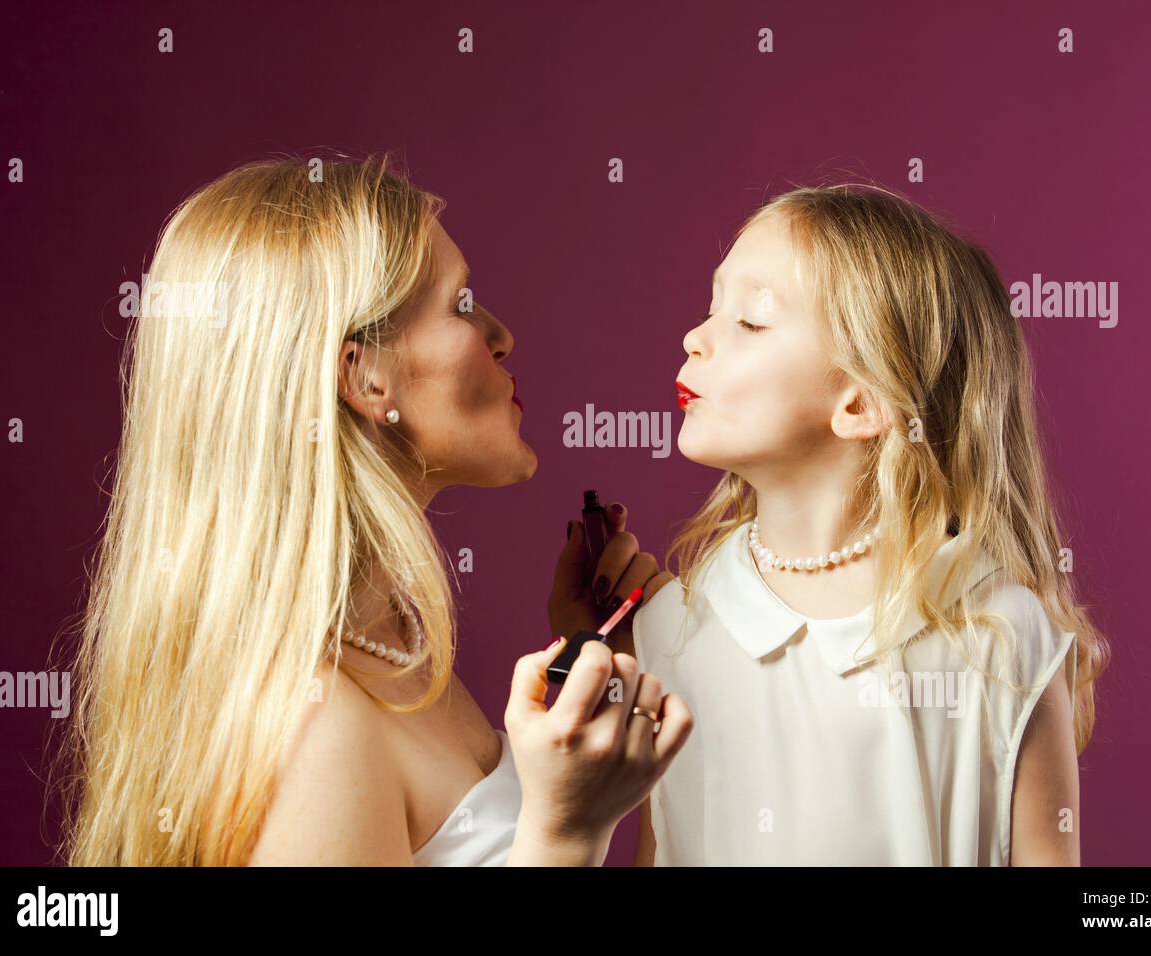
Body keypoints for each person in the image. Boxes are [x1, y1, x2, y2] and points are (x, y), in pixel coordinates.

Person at [52, 154, 692, 866]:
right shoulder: (319, 730)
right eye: (461, 304)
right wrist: (565, 832)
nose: (502, 335)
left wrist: (596, 686)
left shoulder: (390, 656)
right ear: (362, 375)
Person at [628, 184, 1109, 865]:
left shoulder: (999, 635)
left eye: (751, 322)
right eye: (713, 308)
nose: (694, 339)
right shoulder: (668, 628)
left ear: (860, 402)